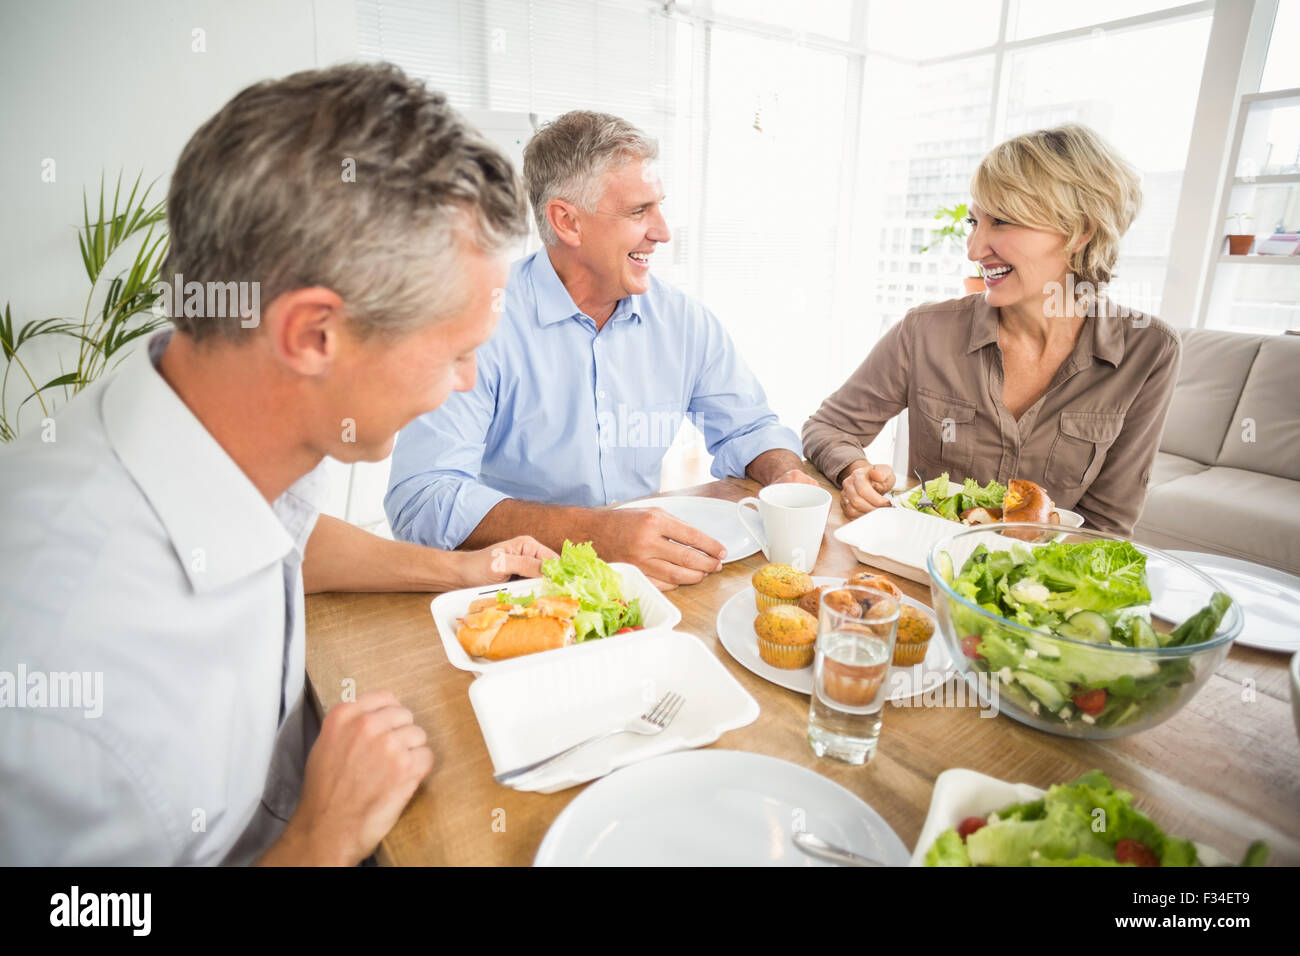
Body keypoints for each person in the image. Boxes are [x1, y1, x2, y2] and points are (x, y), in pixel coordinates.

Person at [0, 63, 552, 866]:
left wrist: (456, 571)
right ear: (312, 336)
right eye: (458, 352)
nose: (468, 380)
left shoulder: (209, 416)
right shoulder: (68, 679)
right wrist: (319, 840)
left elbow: (282, 541)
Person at [385, 111, 816, 591]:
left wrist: (785, 476)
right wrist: (591, 535)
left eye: (659, 207)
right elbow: (422, 498)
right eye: (638, 212)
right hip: (520, 588)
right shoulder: (478, 320)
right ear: (567, 221)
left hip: (651, 581)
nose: (662, 231)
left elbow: (751, 428)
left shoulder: (683, 321)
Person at [802, 124, 1180, 537]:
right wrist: (855, 471)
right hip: (923, 567)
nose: (974, 249)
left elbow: (1106, 526)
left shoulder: (1148, 351)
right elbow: (830, 427)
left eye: (1001, 221)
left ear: (1081, 231)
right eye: (973, 222)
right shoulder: (926, 331)